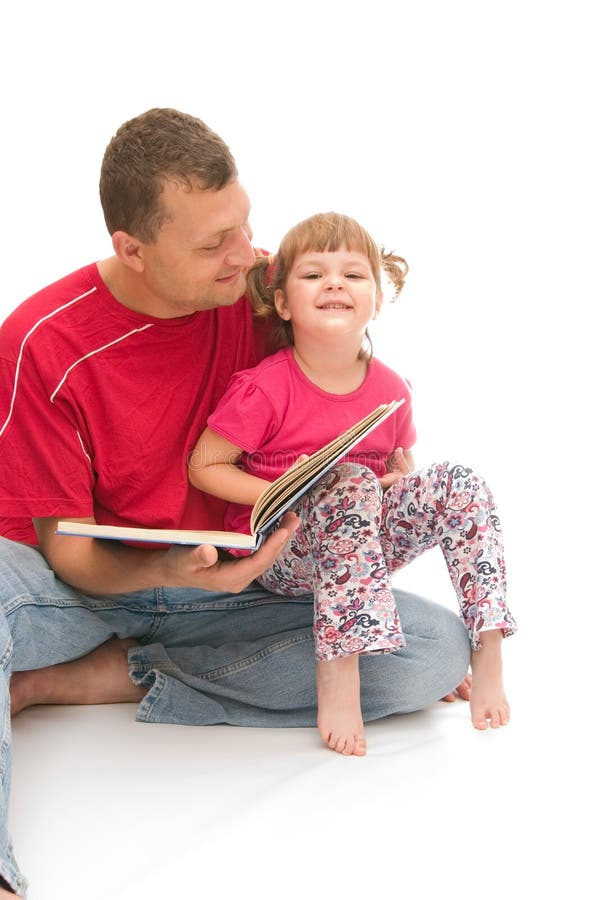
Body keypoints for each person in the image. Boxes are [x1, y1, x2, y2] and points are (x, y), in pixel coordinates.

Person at [0, 109, 471, 898]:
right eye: (213, 243)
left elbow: (350, 379)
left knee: (433, 651)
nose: (245, 254)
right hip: (71, 586)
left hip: (234, 580)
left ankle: (102, 678)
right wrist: (179, 576)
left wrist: (387, 471)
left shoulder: (258, 289)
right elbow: (68, 552)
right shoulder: (40, 341)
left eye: (244, 223)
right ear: (133, 250)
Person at [189, 212, 516, 757]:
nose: (335, 284)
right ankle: (338, 665)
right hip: (284, 549)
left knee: (460, 482)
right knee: (348, 480)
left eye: (353, 275)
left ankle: (487, 643)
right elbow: (204, 465)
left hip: (356, 543)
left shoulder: (390, 387)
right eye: (314, 274)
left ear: (377, 299)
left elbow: (399, 459)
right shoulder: (265, 387)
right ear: (285, 303)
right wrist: (282, 489)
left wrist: (400, 481)